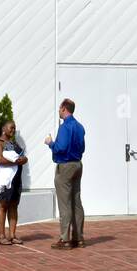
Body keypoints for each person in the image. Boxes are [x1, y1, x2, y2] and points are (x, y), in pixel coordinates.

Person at [45, 98, 86, 250]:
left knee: (64, 203)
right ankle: (78, 238)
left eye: (59, 109)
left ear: (64, 109)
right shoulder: (80, 127)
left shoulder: (65, 127)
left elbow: (60, 148)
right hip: (77, 164)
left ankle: (65, 239)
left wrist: (50, 143)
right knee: (76, 201)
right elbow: (82, 148)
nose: (58, 111)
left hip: (65, 166)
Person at [0, 119, 28, 246]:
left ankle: (12, 235)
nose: (13, 130)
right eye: (11, 127)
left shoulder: (14, 143)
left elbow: (23, 156)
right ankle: (1, 236)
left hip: (16, 179)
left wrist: (24, 159)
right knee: (2, 205)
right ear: (3, 128)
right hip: (4, 180)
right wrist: (17, 162)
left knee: (13, 206)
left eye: (15, 128)